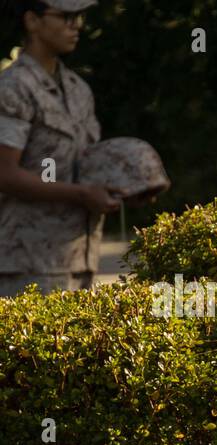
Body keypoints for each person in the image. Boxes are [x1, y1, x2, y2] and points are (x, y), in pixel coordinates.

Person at [0, 0, 119, 298]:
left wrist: (126, 185)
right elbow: (4, 174)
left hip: (81, 259)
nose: (75, 25)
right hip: (26, 264)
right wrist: (80, 195)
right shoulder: (13, 87)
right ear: (32, 21)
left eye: (78, 17)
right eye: (66, 16)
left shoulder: (78, 89)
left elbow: (87, 165)